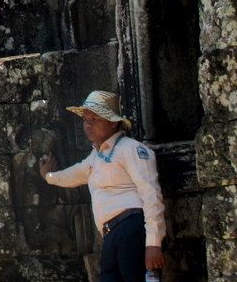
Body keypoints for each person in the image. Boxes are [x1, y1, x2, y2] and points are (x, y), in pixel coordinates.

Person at [39, 90, 166, 281]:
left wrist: (153, 243)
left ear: (112, 122)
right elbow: (73, 174)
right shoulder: (95, 158)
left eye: (94, 119)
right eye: (85, 120)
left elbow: (151, 193)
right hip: (109, 236)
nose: (88, 125)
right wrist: (48, 176)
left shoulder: (131, 149)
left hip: (132, 229)